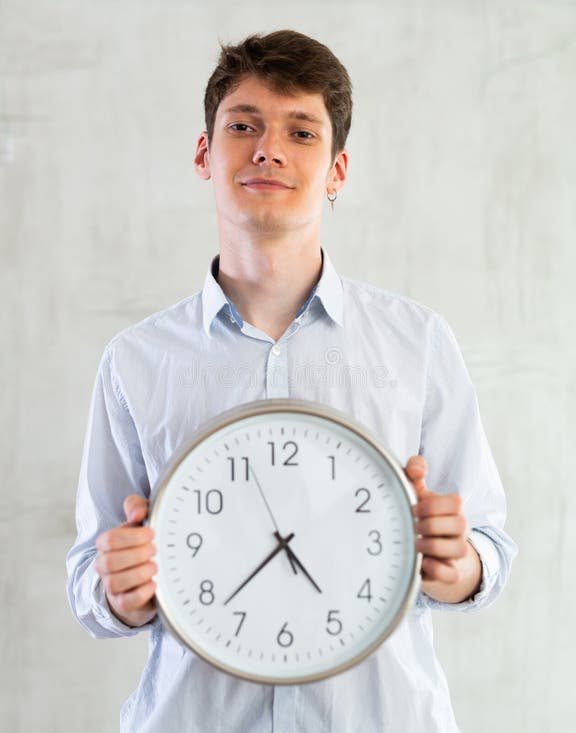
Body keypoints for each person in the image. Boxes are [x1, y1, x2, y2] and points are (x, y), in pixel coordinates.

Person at [66, 29, 517, 733]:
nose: (268, 148)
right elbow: (87, 581)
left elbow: (490, 548)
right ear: (203, 154)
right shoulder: (136, 359)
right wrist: (117, 589)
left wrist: (456, 563)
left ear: (337, 170)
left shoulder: (417, 343)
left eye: (300, 131)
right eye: (243, 126)